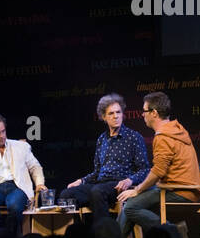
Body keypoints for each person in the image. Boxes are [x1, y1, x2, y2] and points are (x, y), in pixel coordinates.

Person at [115, 92, 200, 238]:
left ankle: (174, 233)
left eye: (145, 111)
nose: (142, 115)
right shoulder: (176, 128)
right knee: (131, 204)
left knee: (131, 207)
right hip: (180, 188)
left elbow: (158, 172)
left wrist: (137, 190)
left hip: (180, 192)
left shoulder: (162, 137)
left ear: (154, 113)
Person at [62, 93, 151, 222]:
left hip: (119, 185)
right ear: (104, 117)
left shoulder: (134, 137)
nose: (116, 116)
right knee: (67, 194)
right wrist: (81, 181)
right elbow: (97, 172)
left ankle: (106, 237)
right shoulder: (101, 139)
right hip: (100, 185)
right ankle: (81, 234)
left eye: (118, 112)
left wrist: (130, 180)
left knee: (97, 192)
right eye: (111, 113)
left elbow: (144, 169)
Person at [0, 112, 47, 238]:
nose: (2, 136)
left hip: (17, 187)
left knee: (14, 205)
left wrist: (40, 183)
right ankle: (0, 235)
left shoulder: (21, 147)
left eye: (3, 131)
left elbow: (35, 167)